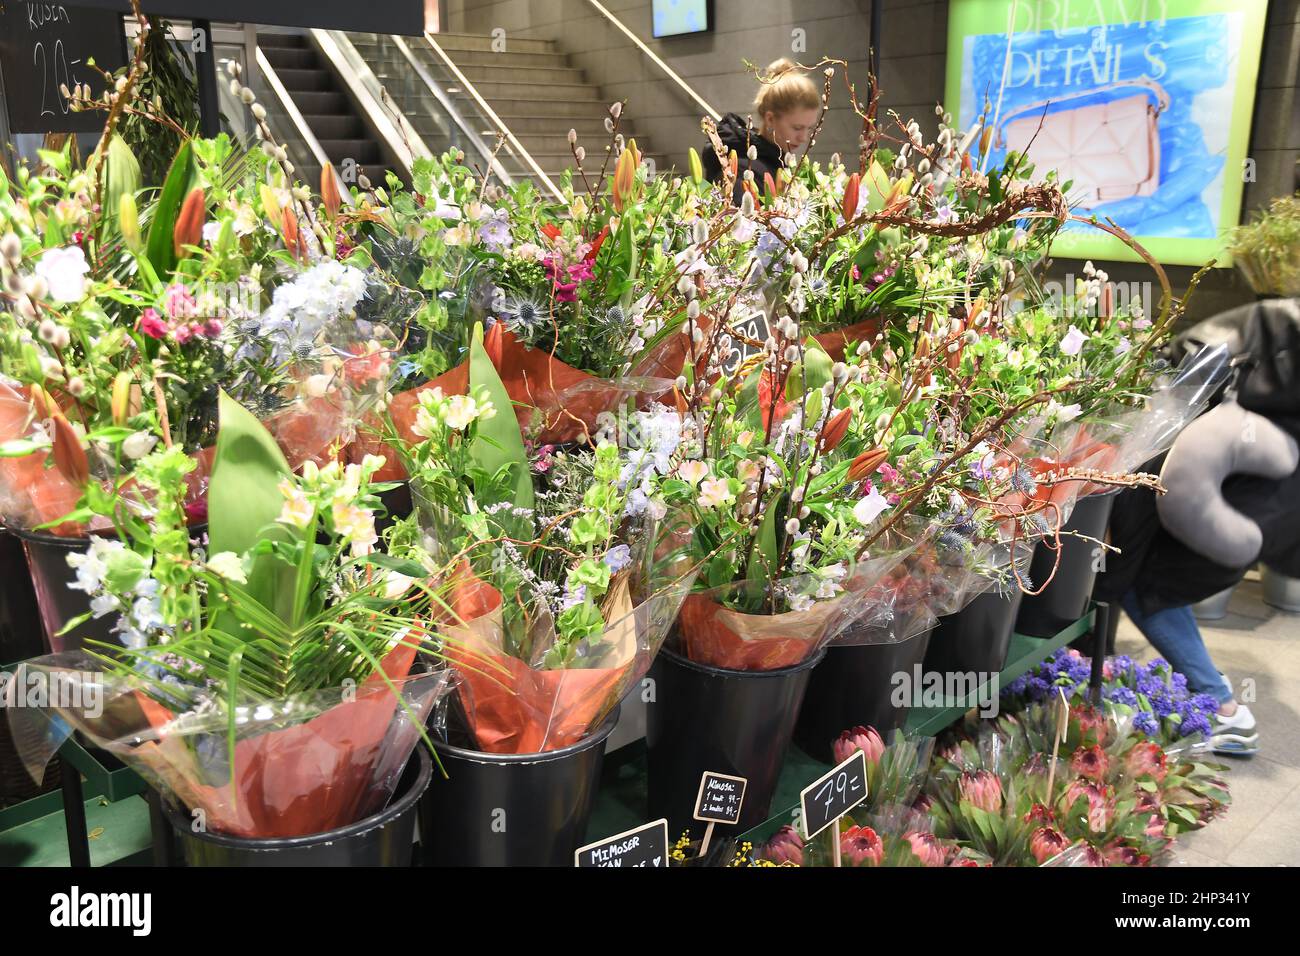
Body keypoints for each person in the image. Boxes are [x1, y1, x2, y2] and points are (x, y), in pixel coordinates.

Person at [1097, 300, 1300, 756]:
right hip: (1247, 506)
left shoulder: (1269, 340)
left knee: (1146, 590)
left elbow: (1203, 355)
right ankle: (1214, 699)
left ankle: (1225, 710)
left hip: (1225, 502)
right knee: (1147, 585)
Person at [701, 58, 820, 205]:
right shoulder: (742, 171)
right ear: (770, 119)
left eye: (809, 128)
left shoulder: (780, 164)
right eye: (797, 128)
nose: (803, 138)